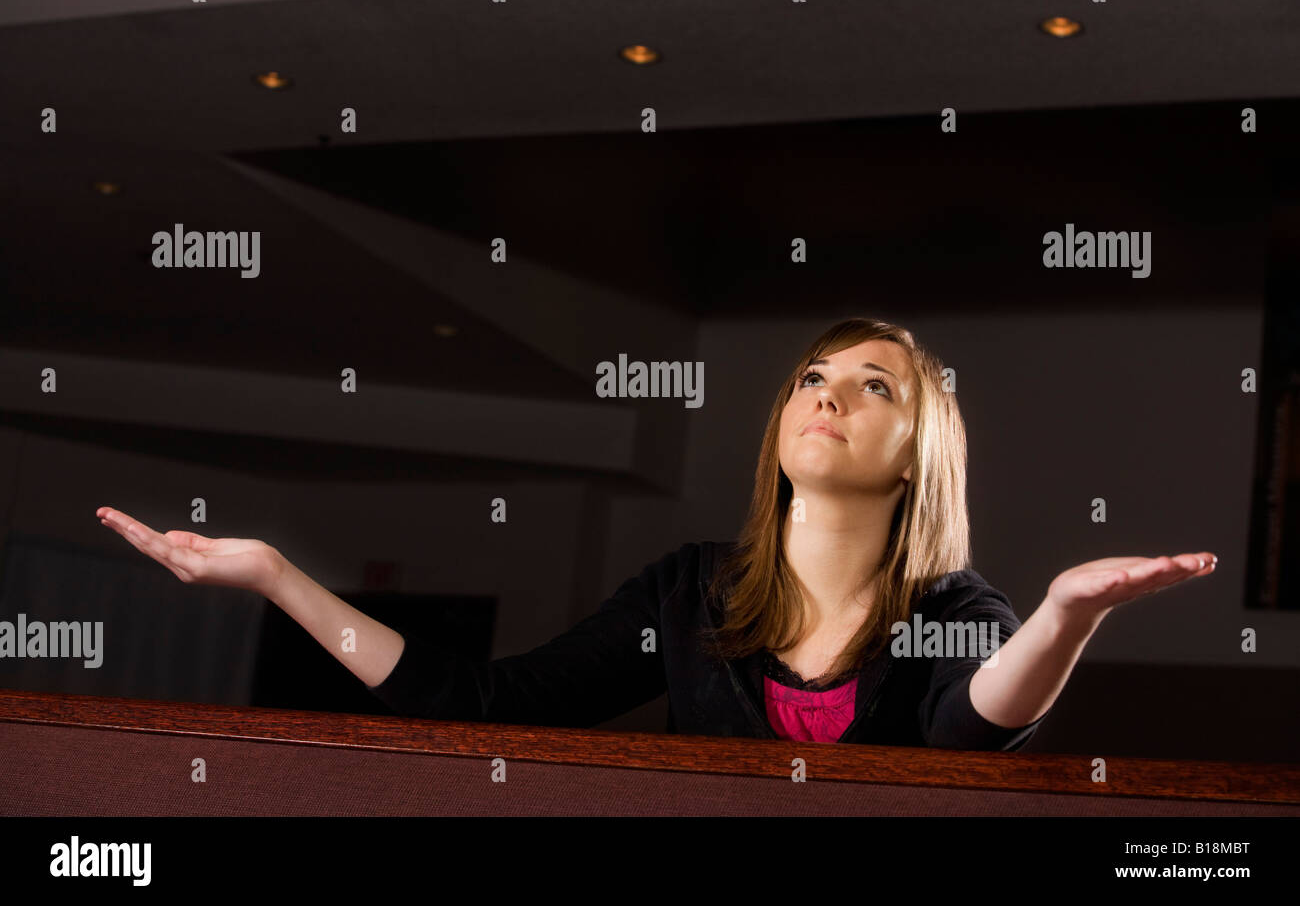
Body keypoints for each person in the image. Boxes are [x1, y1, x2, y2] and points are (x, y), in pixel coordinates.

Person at [96, 318, 1217, 749]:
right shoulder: (689, 594)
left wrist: (1066, 613)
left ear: (922, 450)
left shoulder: (956, 614)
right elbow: (483, 705)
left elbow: (968, 729)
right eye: (812, 376)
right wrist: (279, 578)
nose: (827, 395)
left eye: (872, 385)